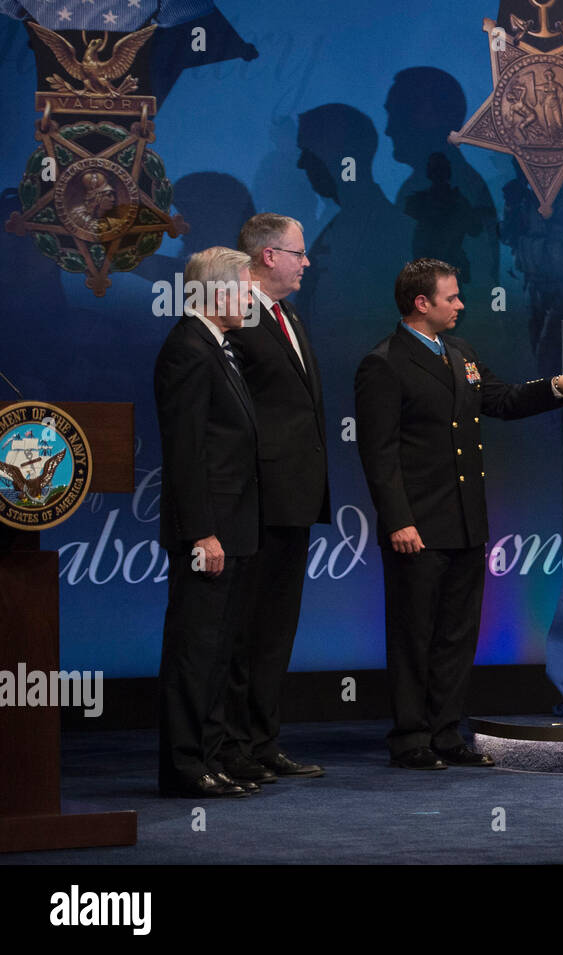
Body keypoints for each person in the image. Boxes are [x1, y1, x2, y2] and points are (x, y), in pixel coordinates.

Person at [354, 258, 563, 770]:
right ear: (422, 304)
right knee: (415, 634)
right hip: (417, 526)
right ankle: (410, 738)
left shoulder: (459, 352)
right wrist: (398, 520)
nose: (461, 305)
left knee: (458, 635)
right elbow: (380, 453)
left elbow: (499, 399)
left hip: (465, 522)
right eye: (452, 297)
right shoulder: (385, 363)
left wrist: (557, 386)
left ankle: (445, 732)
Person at [220, 213, 330, 785]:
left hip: (294, 500)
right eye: (298, 253)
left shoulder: (288, 316)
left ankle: (263, 743)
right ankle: (232, 746)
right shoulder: (236, 320)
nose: (305, 262)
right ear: (268, 257)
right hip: (256, 501)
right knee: (244, 628)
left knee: (276, 630)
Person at [154, 247, 259, 798]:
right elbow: (187, 452)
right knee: (196, 651)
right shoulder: (188, 349)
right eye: (245, 289)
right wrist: (202, 532)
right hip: (209, 532)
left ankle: (211, 757)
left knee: (219, 650)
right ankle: (184, 766)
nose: (252, 298)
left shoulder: (219, 347)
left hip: (234, 527)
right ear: (217, 294)